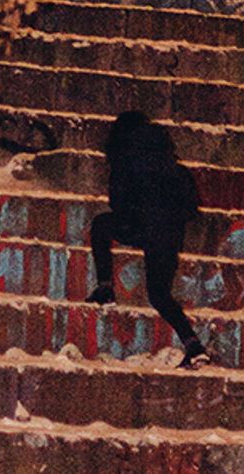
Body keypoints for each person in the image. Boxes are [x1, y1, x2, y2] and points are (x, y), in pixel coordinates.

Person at [87, 109, 209, 366]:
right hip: (167, 235)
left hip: (138, 226)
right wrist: (166, 219)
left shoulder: (124, 159)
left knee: (100, 225)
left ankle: (106, 287)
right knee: (160, 294)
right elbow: (191, 207)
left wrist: (138, 217)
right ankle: (194, 346)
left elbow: (117, 202)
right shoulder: (172, 165)